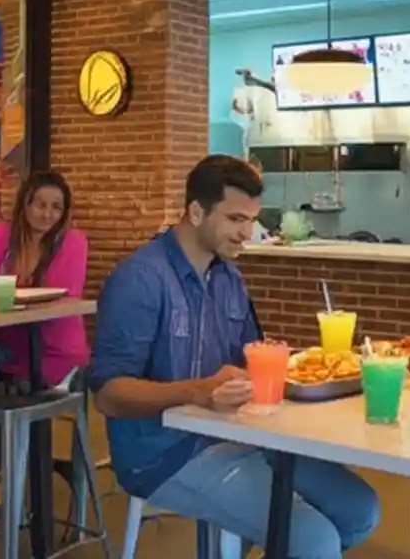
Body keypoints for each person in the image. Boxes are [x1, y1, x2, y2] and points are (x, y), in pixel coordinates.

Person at [91, 155, 379, 558]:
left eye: (252, 220)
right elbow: (108, 394)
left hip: (237, 432)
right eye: (235, 220)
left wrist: (311, 367)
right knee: (315, 540)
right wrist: (198, 391)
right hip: (163, 453)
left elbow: (249, 359)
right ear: (195, 211)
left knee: (360, 510)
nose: (248, 233)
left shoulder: (229, 278)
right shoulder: (140, 280)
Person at [0, 170, 89, 451]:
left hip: (53, 350)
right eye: (40, 204)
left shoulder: (73, 242)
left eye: (56, 207)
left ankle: (21, 465)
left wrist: (7, 297)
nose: (47, 214)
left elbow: (62, 297)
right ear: (25, 204)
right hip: (7, 341)